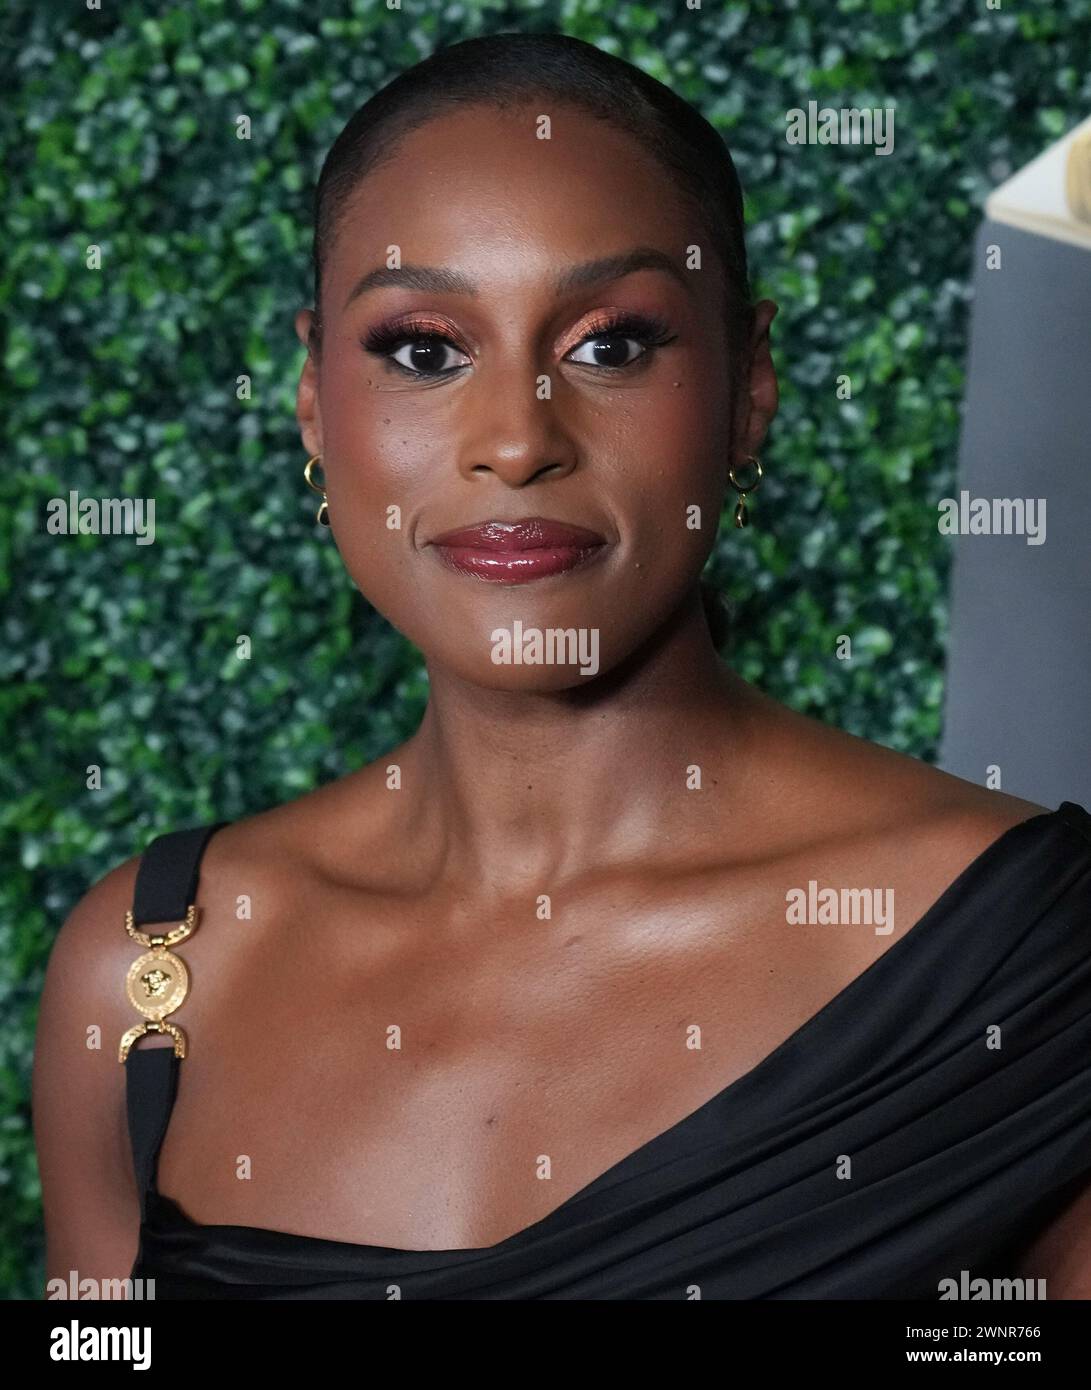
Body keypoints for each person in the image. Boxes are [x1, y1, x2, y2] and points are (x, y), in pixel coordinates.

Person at [33, 32, 1091, 1300]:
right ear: (314, 399)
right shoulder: (153, 965)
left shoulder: (1033, 961)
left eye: (610, 343)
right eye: (424, 348)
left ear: (747, 384)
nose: (518, 440)